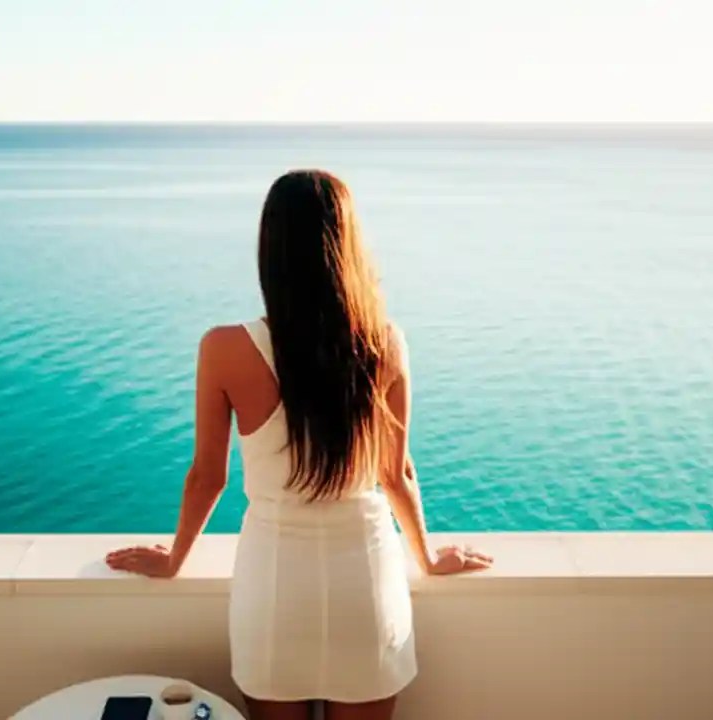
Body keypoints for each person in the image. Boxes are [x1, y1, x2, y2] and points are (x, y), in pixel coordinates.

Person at [107, 170, 492, 720]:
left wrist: (175, 558)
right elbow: (396, 472)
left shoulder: (225, 348)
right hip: (366, 585)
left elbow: (207, 477)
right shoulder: (385, 342)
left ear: (271, 250)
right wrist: (428, 559)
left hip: (274, 589)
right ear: (349, 246)